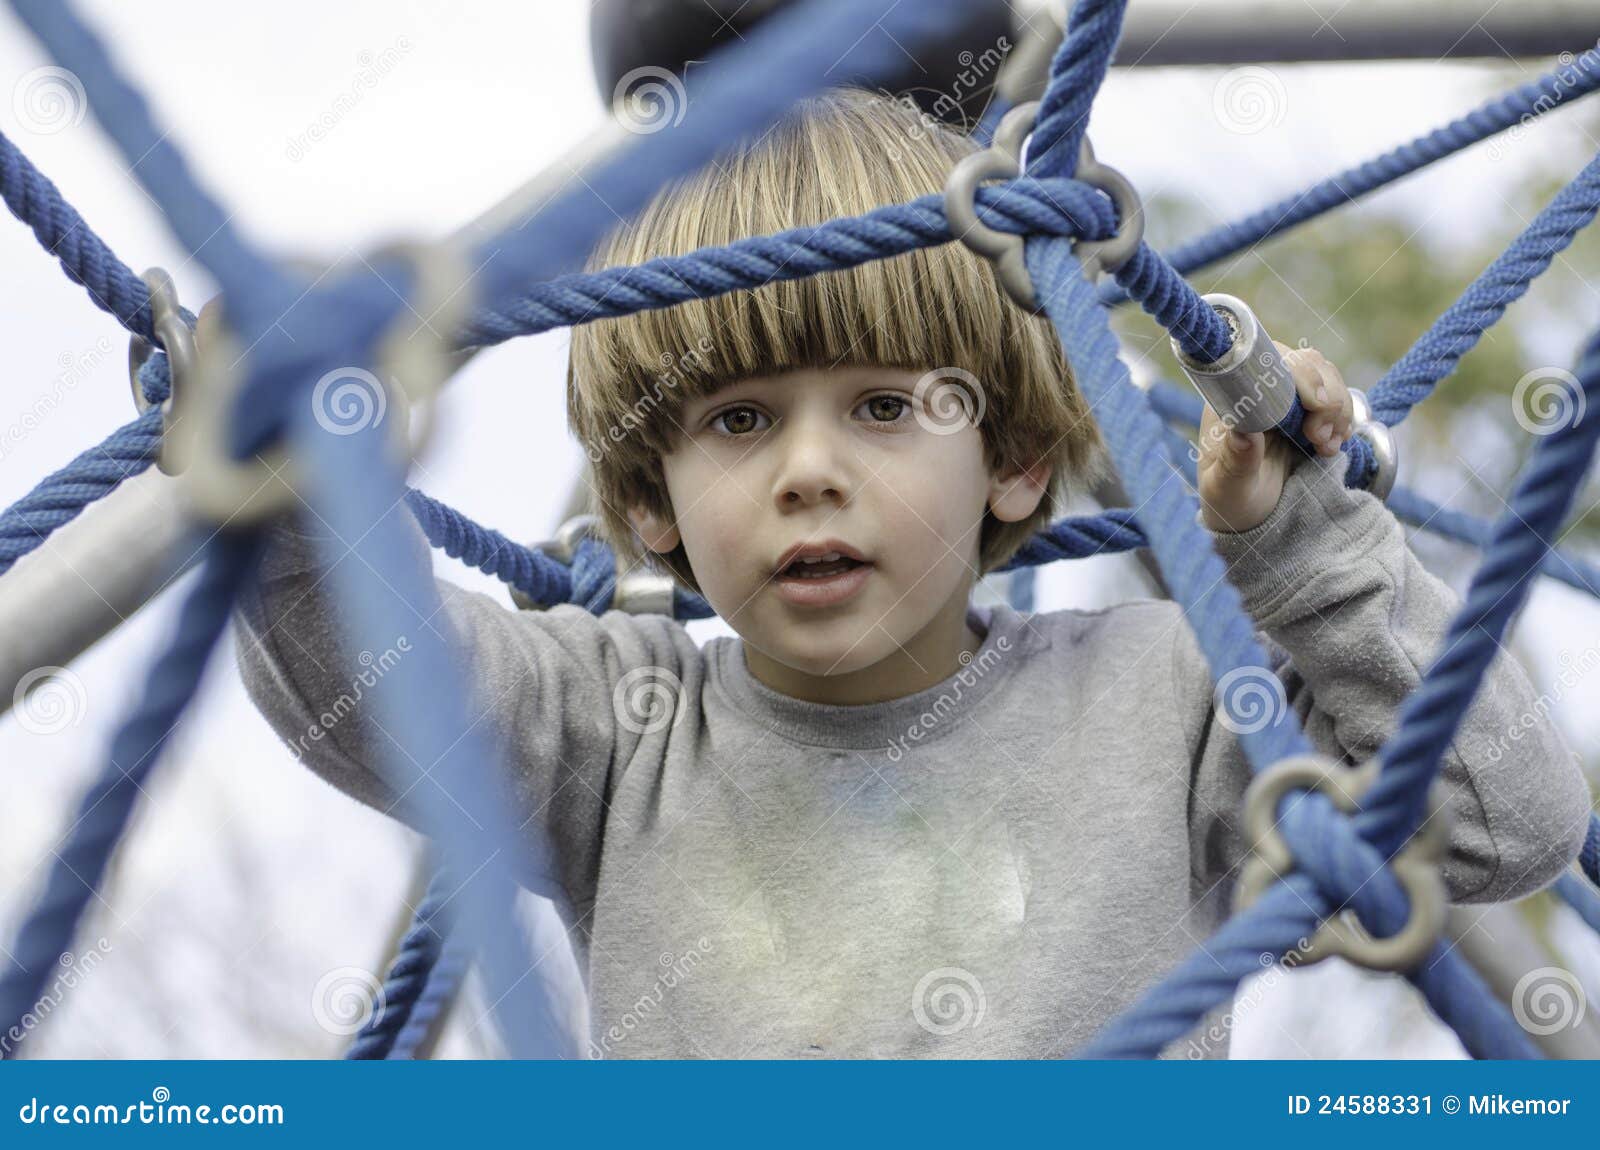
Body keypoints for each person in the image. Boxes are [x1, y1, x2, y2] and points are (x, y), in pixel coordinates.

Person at [234, 88, 1593, 1058]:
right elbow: (357, 662)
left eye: (885, 407)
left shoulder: (1173, 705)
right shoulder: (612, 726)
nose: (806, 470)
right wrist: (298, 471)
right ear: (649, 498)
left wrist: (1295, 546)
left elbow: (1500, 818)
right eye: (738, 420)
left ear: (1010, 457)